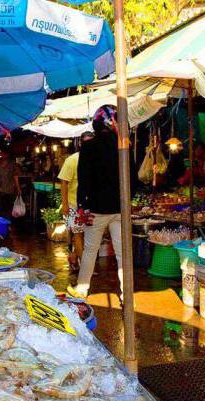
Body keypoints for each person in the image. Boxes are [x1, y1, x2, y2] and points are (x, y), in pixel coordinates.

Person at [67, 105, 125, 299]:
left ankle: (82, 289)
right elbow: (132, 176)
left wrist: (83, 206)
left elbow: (84, 180)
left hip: (97, 209)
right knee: (122, 252)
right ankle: (127, 293)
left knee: (90, 250)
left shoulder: (89, 146)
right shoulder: (122, 144)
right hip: (119, 207)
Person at [59, 131, 94, 272]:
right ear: (80, 143)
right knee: (79, 235)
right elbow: (64, 183)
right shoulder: (72, 160)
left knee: (86, 236)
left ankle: (76, 259)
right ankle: (85, 267)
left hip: (91, 205)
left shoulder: (96, 159)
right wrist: (65, 204)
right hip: (74, 205)